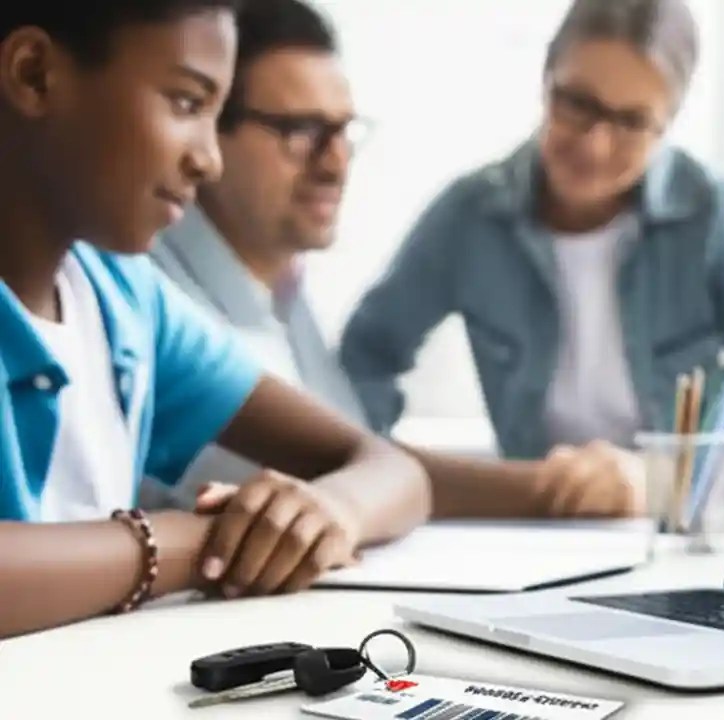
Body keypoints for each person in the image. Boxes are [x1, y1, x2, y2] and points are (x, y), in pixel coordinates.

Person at [0, 0, 426, 639]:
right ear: (35, 75)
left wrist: (323, 512)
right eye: (185, 103)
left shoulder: (124, 301)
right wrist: (195, 544)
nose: (209, 158)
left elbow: (388, 467)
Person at [146, 0, 638, 519]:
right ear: (209, 128)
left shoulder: (284, 295)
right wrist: (550, 488)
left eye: (343, 132)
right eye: (301, 131)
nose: (336, 163)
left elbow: (359, 457)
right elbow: (305, 477)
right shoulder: (156, 289)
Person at [340, 0, 724, 509]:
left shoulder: (716, 218)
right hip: (536, 526)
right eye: (577, 104)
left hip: (677, 529)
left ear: (670, 120)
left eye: (632, 121)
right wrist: (372, 474)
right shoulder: (470, 217)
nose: (595, 145)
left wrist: (668, 481)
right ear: (546, 78)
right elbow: (364, 356)